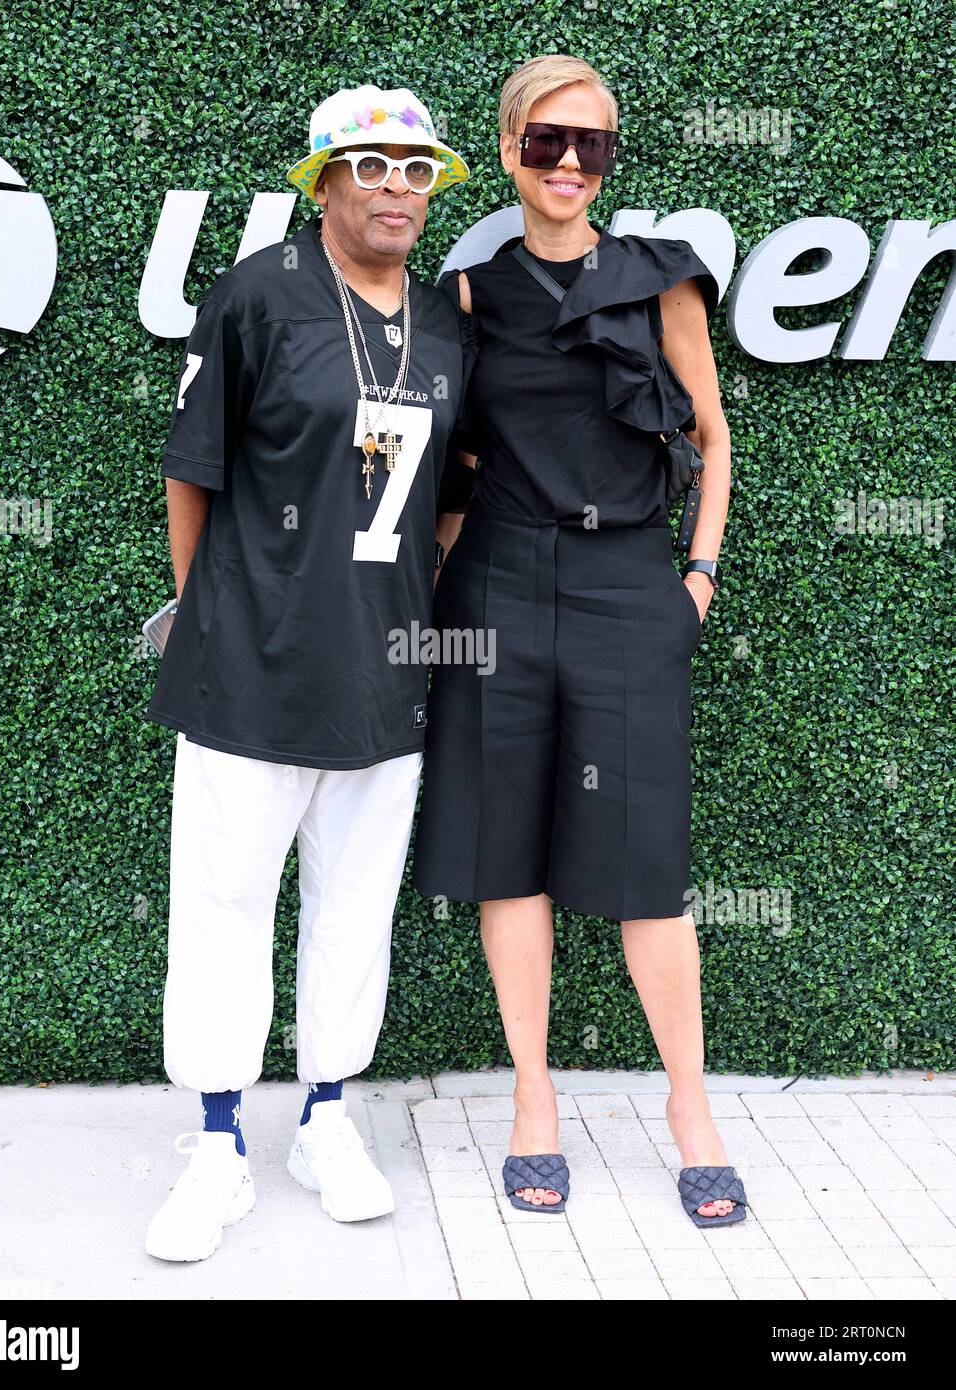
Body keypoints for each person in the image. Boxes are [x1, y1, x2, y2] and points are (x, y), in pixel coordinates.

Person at [413, 54, 747, 1227]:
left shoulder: (662, 283)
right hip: (497, 586)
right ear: (507, 150)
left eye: (588, 145)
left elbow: (708, 435)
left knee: (646, 859)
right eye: (545, 142)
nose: (566, 164)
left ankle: (690, 1110)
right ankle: (533, 1103)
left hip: (625, 585)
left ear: (610, 158)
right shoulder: (466, 294)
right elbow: (451, 461)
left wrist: (693, 577)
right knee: (509, 854)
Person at [142, 83, 470, 1261]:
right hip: (246, 672)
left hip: (384, 675)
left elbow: (443, 505)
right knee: (223, 909)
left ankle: (328, 1117)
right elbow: (195, 469)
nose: (395, 189)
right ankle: (219, 1140)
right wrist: (210, 610)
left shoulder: (445, 325)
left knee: (353, 910)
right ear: (322, 181)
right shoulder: (258, 294)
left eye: (414, 170)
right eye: (370, 167)